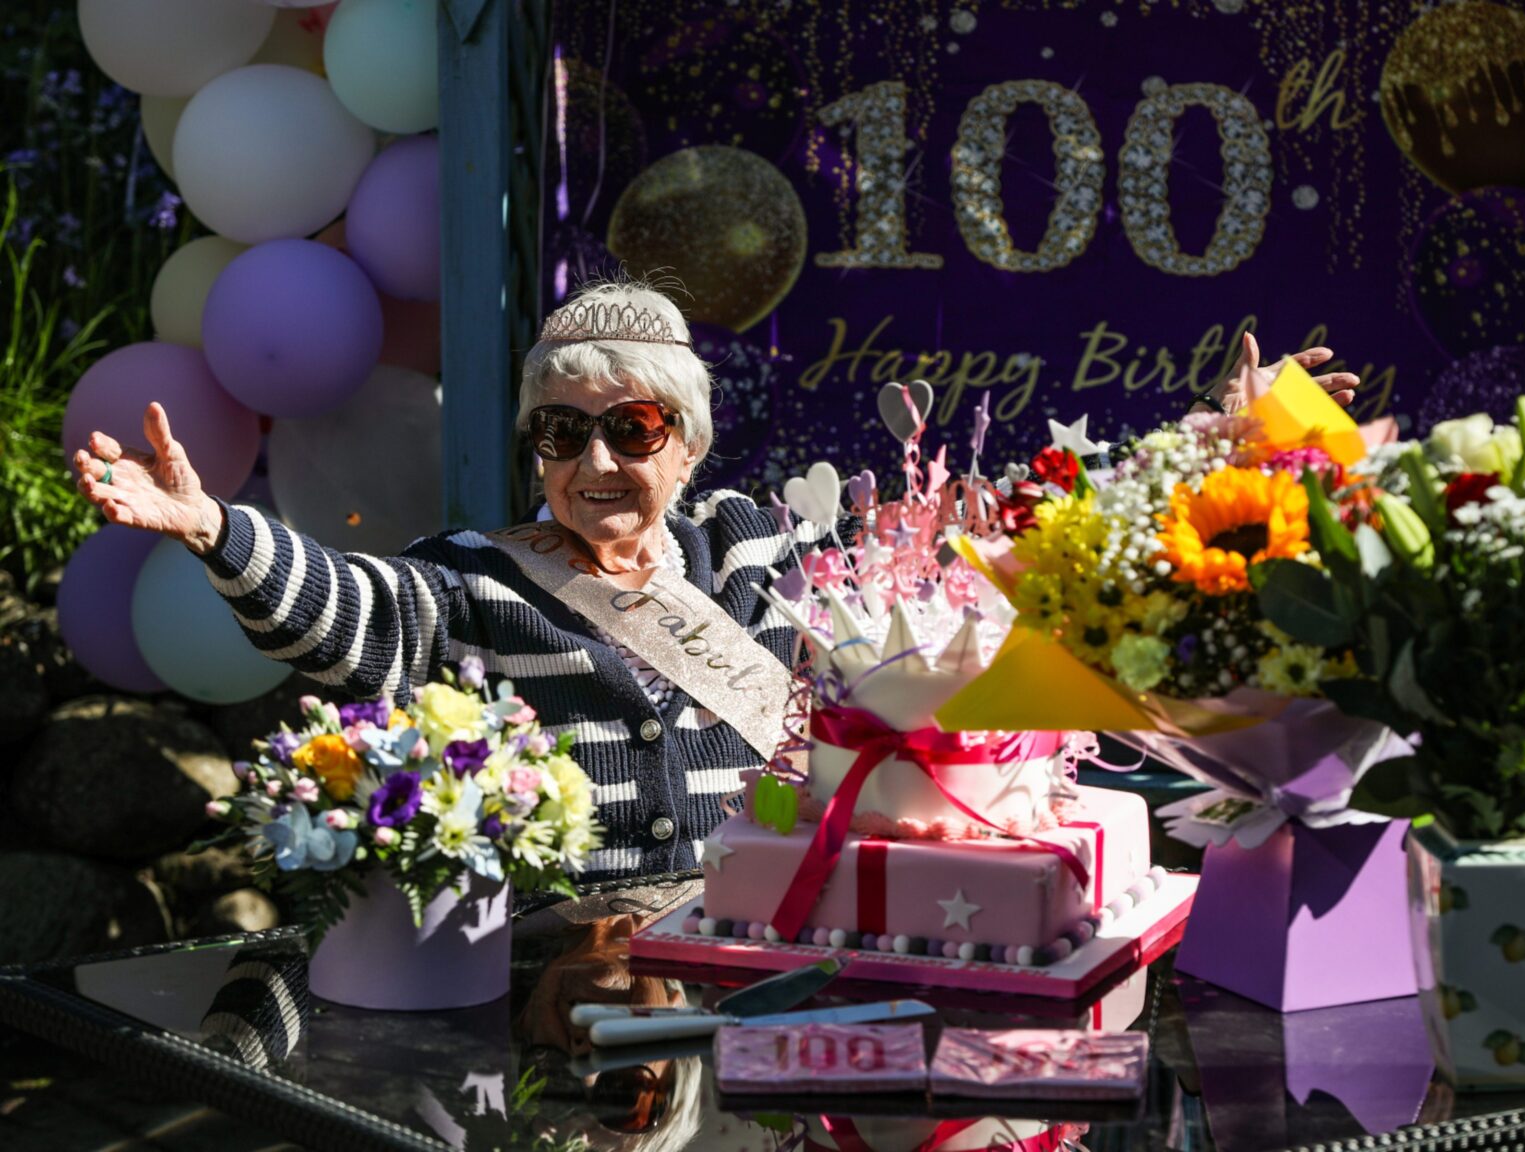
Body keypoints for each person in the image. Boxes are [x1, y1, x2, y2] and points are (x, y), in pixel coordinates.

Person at [72, 276, 1356, 879]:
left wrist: (1205, 456)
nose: (592, 463)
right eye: (559, 435)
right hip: (563, 974)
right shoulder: (475, 572)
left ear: (683, 442)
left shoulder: (757, 545)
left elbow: (997, 563)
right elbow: (352, 613)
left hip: (765, 949)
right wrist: (211, 530)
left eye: (628, 431)